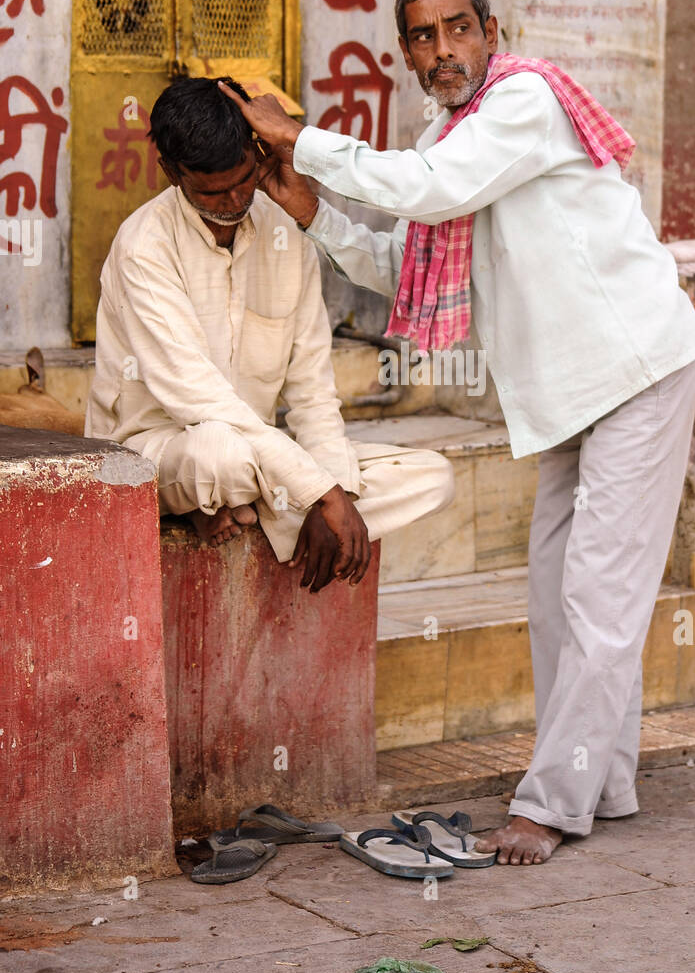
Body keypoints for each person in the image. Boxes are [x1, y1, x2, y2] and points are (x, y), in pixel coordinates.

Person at [219, 0, 695, 862]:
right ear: (404, 52)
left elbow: (430, 188)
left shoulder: (522, 103)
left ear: (491, 28)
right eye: (422, 37)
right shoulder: (445, 134)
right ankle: (604, 779)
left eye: (456, 30)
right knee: (560, 593)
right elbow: (397, 261)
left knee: (598, 597)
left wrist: (301, 138)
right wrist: (311, 211)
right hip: (571, 395)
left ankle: (551, 803)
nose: (442, 51)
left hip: (637, 367)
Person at [85, 76, 454, 593]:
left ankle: (252, 514)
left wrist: (335, 487)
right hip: (160, 452)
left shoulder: (285, 232)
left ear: (257, 153)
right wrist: (319, 493)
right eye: (212, 191)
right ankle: (256, 508)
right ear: (171, 172)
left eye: (244, 179)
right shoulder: (143, 247)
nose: (235, 200)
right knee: (222, 453)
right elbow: (200, 400)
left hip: (261, 462)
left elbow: (311, 391)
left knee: (431, 474)